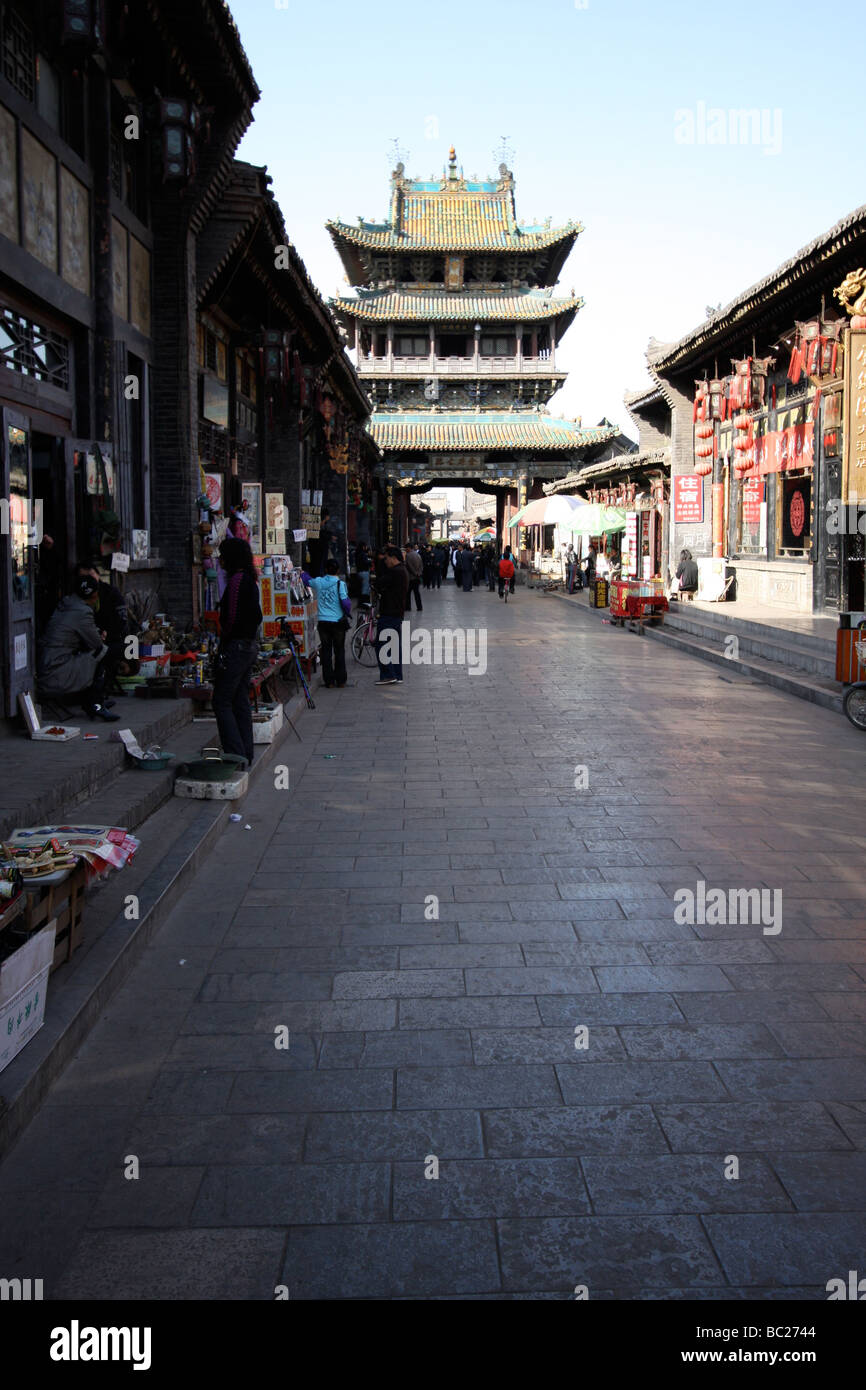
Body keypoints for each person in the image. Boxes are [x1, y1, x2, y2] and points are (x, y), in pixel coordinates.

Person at [37, 574, 119, 721]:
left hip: (49, 665)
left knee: (96, 653)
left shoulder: (67, 603)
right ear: (94, 595)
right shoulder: (82, 611)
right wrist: (99, 635)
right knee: (104, 652)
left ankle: (92, 700)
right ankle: (95, 704)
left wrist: (96, 633)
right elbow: (96, 644)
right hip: (57, 671)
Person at [213, 537, 262, 766]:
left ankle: (235, 755)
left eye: (222, 555)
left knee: (221, 701)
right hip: (248, 645)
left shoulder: (237, 580)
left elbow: (231, 617)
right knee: (239, 699)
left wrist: (226, 637)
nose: (219, 560)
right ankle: (245, 753)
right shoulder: (250, 580)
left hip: (237, 646)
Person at [76, 559, 128, 696]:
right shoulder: (76, 599)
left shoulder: (111, 593)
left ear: (98, 575)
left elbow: (121, 620)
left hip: (110, 639)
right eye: (84, 577)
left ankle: (99, 691)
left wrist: (107, 633)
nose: (89, 580)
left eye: (91, 575)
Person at [302, 558, 350, 688]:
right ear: (338, 570)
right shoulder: (341, 584)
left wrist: (302, 572)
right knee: (339, 650)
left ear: (326, 569)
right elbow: (345, 602)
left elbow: (306, 580)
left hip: (323, 622)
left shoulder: (319, 582)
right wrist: (348, 612)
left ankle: (329, 681)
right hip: (338, 622)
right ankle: (341, 680)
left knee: (326, 651)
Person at [376, 546, 408, 685]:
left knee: (383, 645)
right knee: (394, 646)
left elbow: (377, 583)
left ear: (393, 558)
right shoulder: (402, 570)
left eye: (387, 558)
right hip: (396, 613)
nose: (385, 561)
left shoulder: (396, 572)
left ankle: (388, 675)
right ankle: (396, 674)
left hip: (389, 613)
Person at [404, 542, 423, 611]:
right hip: (417, 577)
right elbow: (421, 565)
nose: (405, 549)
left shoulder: (408, 555)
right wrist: (419, 573)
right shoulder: (418, 554)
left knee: (408, 593)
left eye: (406, 548)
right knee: (417, 593)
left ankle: (408, 607)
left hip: (411, 577)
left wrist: (415, 573)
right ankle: (419, 607)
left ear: (409, 548)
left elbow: (409, 566)